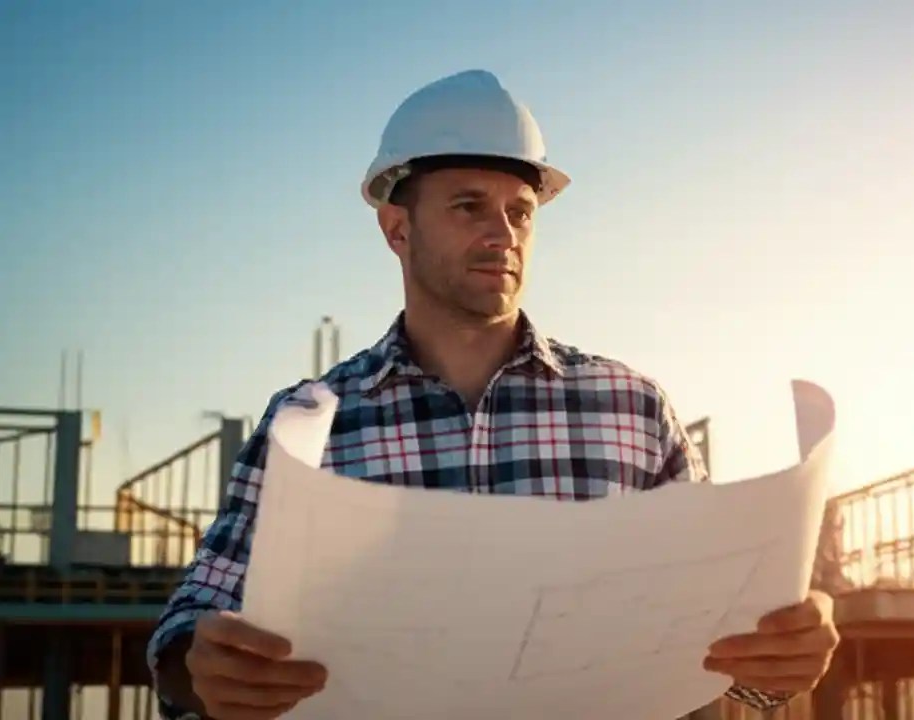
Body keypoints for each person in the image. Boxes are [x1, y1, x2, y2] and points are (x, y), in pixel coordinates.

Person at [147, 69, 839, 720]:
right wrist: (199, 667)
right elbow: (195, 617)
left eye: (521, 212)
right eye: (468, 206)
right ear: (397, 228)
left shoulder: (632, 408)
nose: (502, 234)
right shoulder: (311, 423)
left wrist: (784, 651)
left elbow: (726, 641)